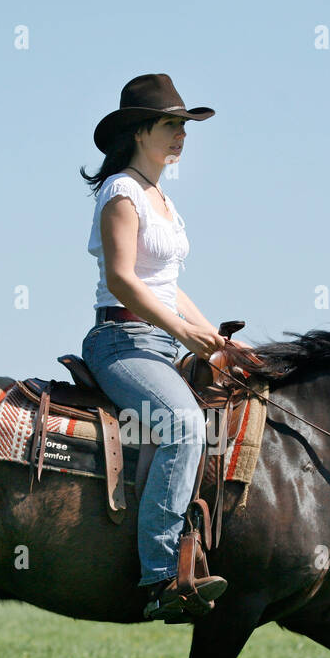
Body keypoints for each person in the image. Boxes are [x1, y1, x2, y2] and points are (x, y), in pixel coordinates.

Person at [78, 74, 249, 623]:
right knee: (181, 424)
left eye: (184, 127)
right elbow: (126, 282)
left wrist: (218, 342)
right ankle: (161, 576)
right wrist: (183, 333)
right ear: (137, 131)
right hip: (121, 340)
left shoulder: (164, 201)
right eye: (171, 125)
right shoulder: (121, 192)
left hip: (159, 336)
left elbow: (168, 285)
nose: (181, 136)